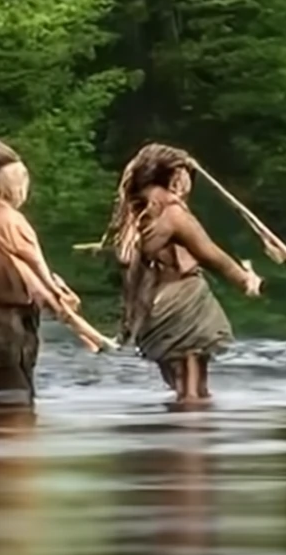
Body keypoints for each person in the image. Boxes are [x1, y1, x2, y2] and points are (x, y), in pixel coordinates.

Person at [104, 143, 262, 402]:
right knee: (193, 388)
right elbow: (210, 254)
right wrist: (245, 280)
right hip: (182, 302)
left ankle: (180, 423)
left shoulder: (134, 212)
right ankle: (192, 424)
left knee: (179, 382)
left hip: (151, 306)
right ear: (174, 176)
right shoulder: (171, 213)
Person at [0, 139, 93, 402]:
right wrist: (62, 301)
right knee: (15, 408)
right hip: (7, 335)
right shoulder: (12, 221)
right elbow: (34, 274)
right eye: (22, 180)